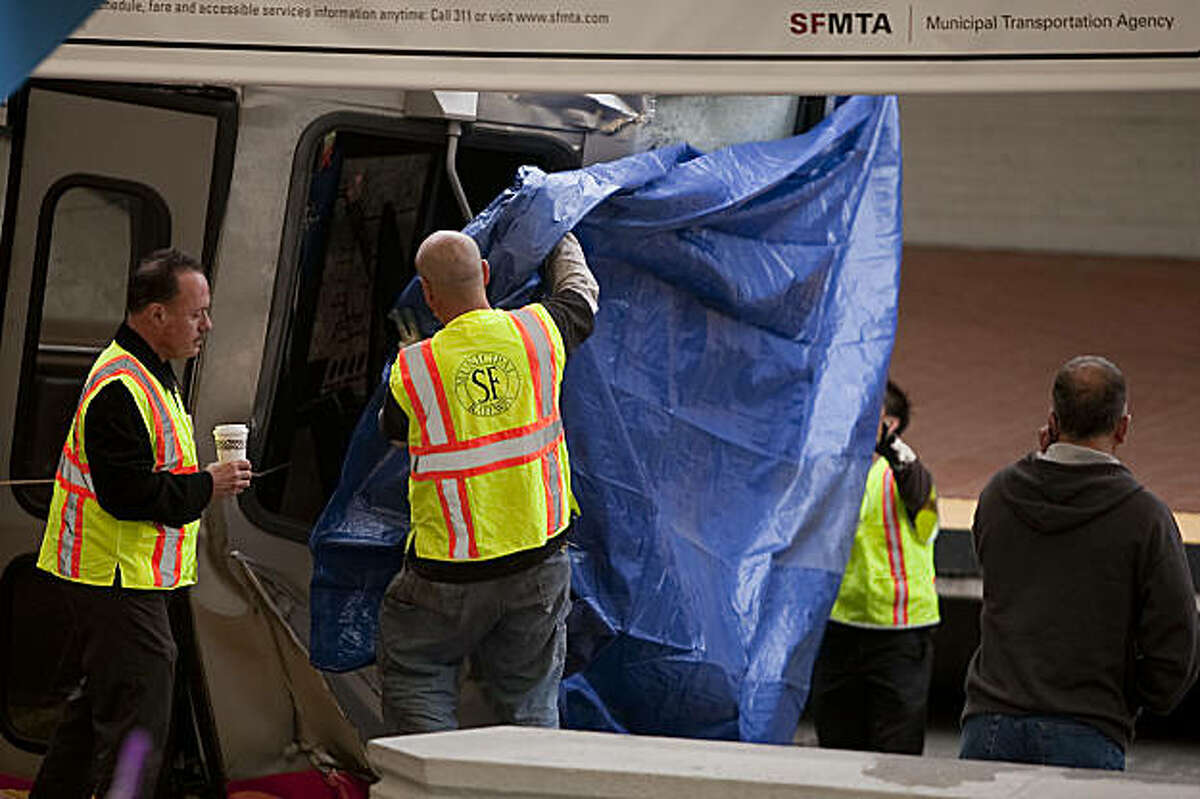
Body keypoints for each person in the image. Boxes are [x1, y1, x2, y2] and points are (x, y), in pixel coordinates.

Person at [31, 249, 253, 798]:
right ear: (156, 315)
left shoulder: (150, 372)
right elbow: (127, 495)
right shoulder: (120, 387)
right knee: (137, 727)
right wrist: (209, 485)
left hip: (128, 580)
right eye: (197, 312)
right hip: (114, 580)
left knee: (94, 717)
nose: (207, 324)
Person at [377, 229, 598, 733]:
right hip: (537, 560)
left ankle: (429, 784)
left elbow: (393, 434)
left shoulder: (414, 368)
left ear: (427, 294)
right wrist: (558, 225)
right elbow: (581, 293)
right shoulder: (539, 332)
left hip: (445, 575)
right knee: (529, 705)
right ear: (487, 275)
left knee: (418, 678)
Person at [960, 355, 1199, 770]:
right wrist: (1134, 694)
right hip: (1089, 730)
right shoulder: (1144, 516)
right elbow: (1176, 643)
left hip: (990, 725)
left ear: (1053, 420)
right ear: (1122, 427)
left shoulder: (999, 494)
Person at [809, 379, 940, 755]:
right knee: (837, 750)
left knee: (895, 754)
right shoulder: (832, 468)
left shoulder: (907, 475)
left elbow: (924, 508)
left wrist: (892, 448)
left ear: (891, 424)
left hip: (898, 633)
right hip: (838, 629)